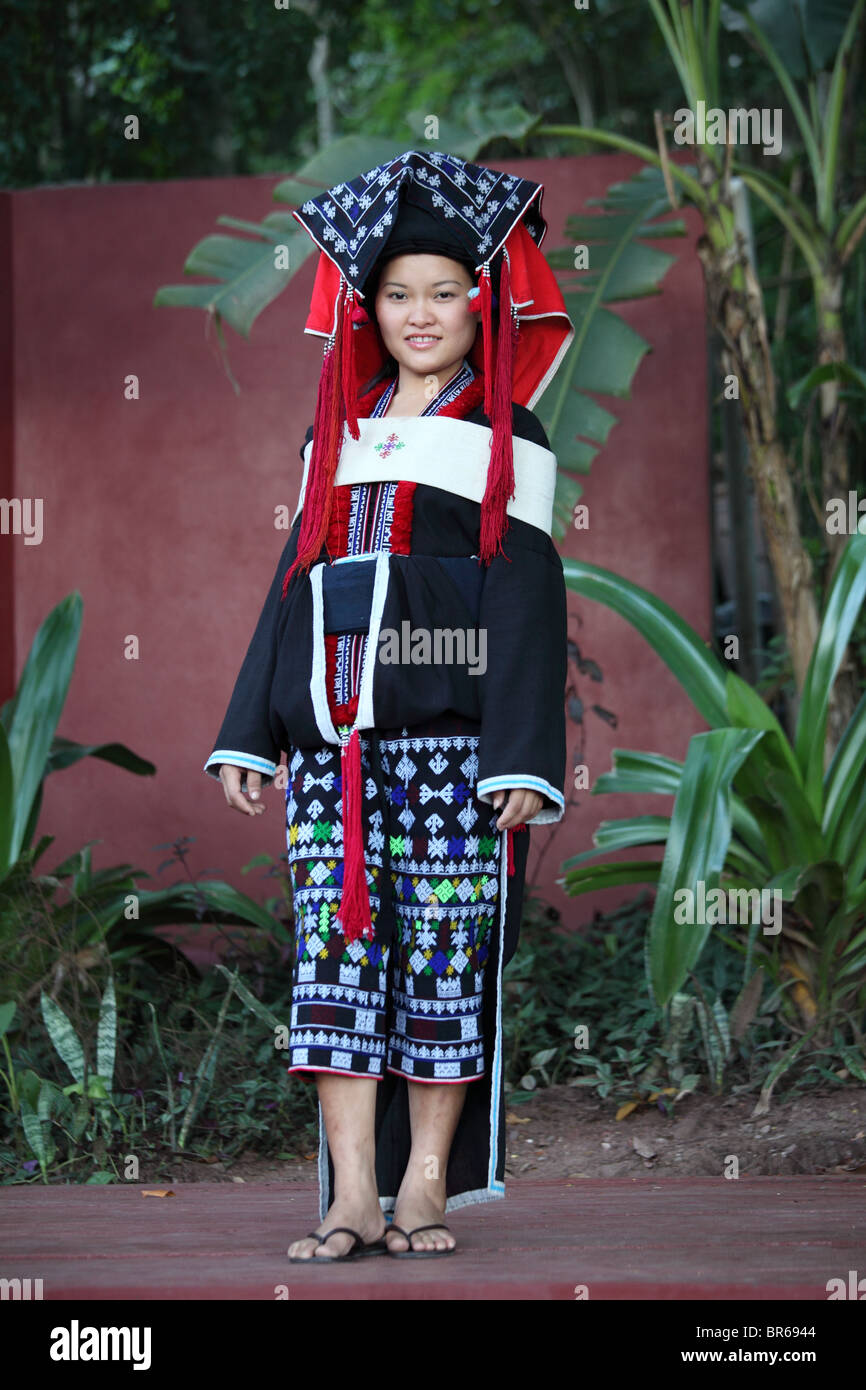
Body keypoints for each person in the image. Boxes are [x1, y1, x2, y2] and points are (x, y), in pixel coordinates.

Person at [203, 150, 573, 1260]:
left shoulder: (510, 436)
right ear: (369, 307)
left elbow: (525, 600)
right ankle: (350, 1194)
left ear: (481, 303)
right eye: (397, 293)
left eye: (444, 293)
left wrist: (518, 755)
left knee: (443, 962)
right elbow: (296, 582)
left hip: (451, 753)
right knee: (334, 970)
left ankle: (423, 1188)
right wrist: (249, 727)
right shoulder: (340, 428)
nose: (420, 314)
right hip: (336, 759)